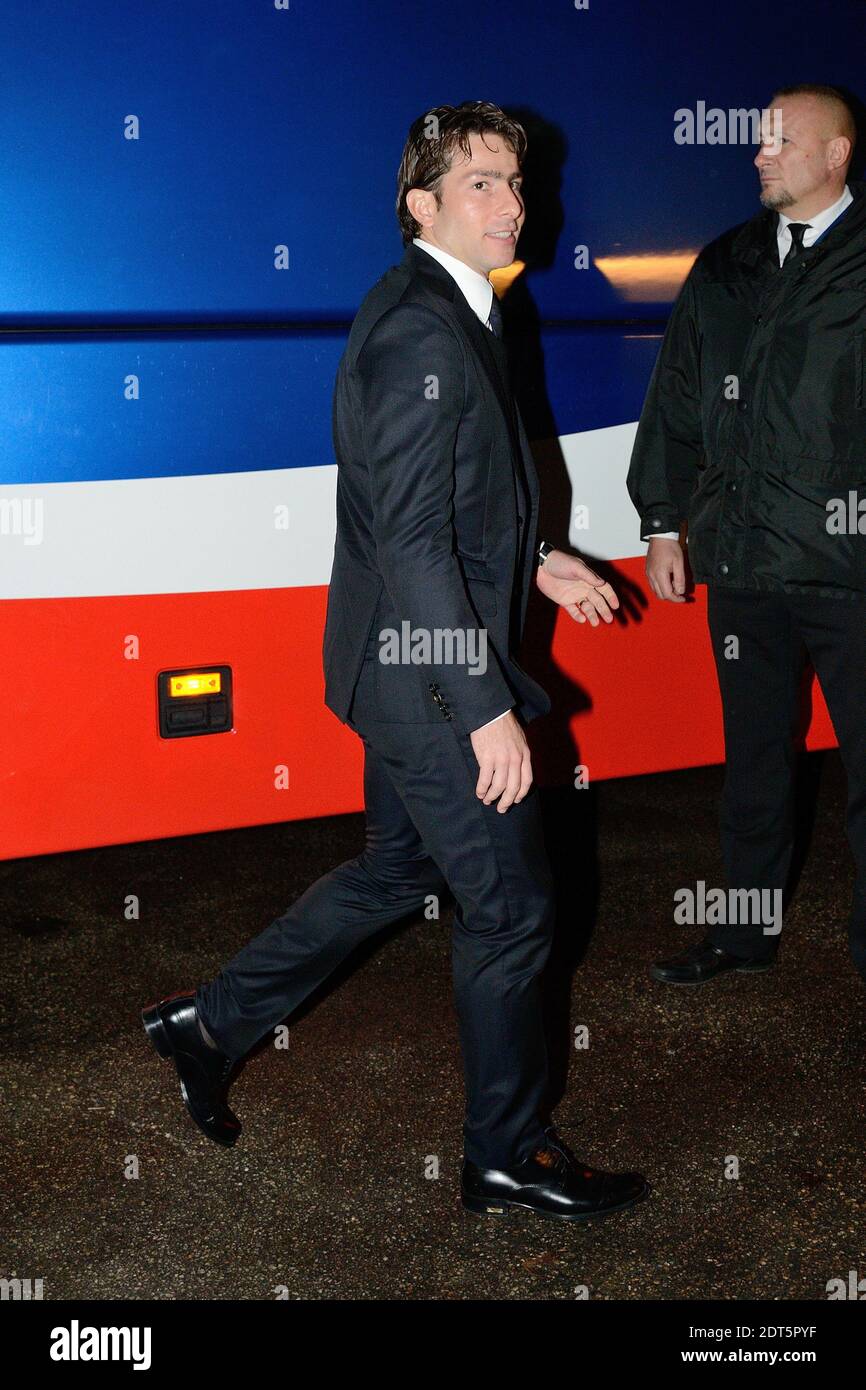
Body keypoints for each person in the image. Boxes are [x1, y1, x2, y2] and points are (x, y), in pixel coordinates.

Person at [143, 99, 648, 1224]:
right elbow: (414, 540)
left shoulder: (455, 308)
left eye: (514, 181)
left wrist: (546, 558)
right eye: (480, 182)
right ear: (419, 203)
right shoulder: (425, 326)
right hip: (428, 677)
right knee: (514, 913)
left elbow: (438, 505)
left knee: (397, 872)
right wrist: (482, 710)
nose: (510, 203)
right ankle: (507, 1153)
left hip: (396, 661)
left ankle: (211, 1022)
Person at [627, 85, 866, 986]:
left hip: (852, 568)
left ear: (837, 156)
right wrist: (662, 519)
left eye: (782, 141)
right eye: (759, 140)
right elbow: (678, 393)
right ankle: (741, 934)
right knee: (756, 763)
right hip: (747, 565)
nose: (760, 153)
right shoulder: (726, 263)